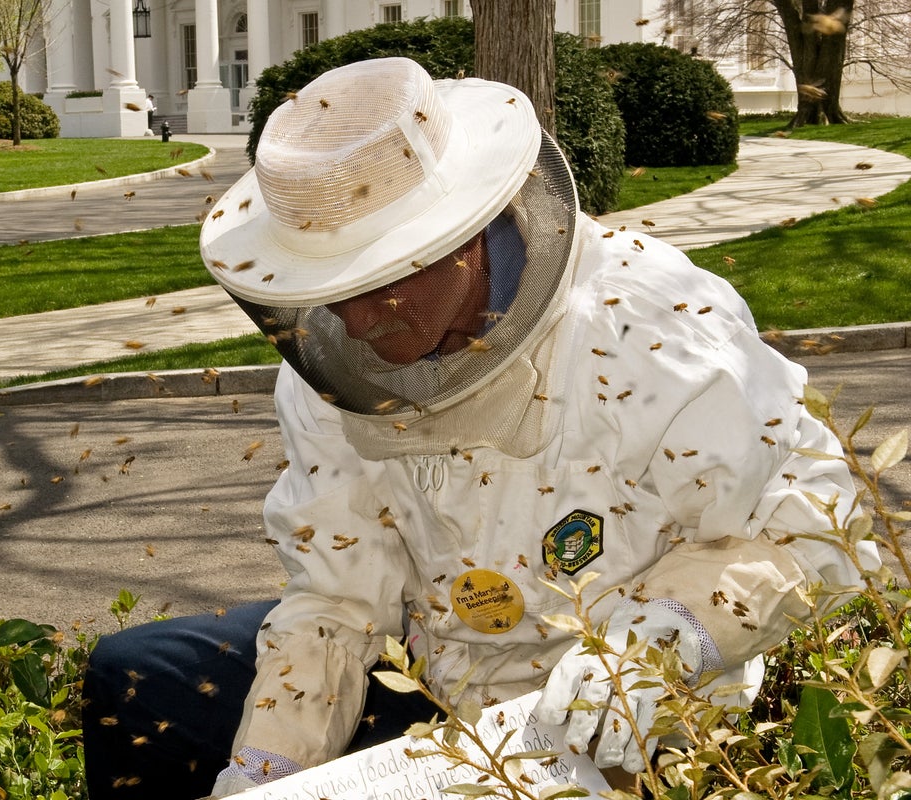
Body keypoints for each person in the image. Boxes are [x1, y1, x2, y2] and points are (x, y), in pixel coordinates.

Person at [82, 57, 875, 798]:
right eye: (323, 290)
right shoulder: (328, 368)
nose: (353, 324)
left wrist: (656, 647)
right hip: (437, 671)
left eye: (375, 284)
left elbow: (812, 526)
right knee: (139, 675)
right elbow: (337, 597)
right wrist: (267, 770)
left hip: (619, 703)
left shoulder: (649, 320)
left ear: (460, 237)